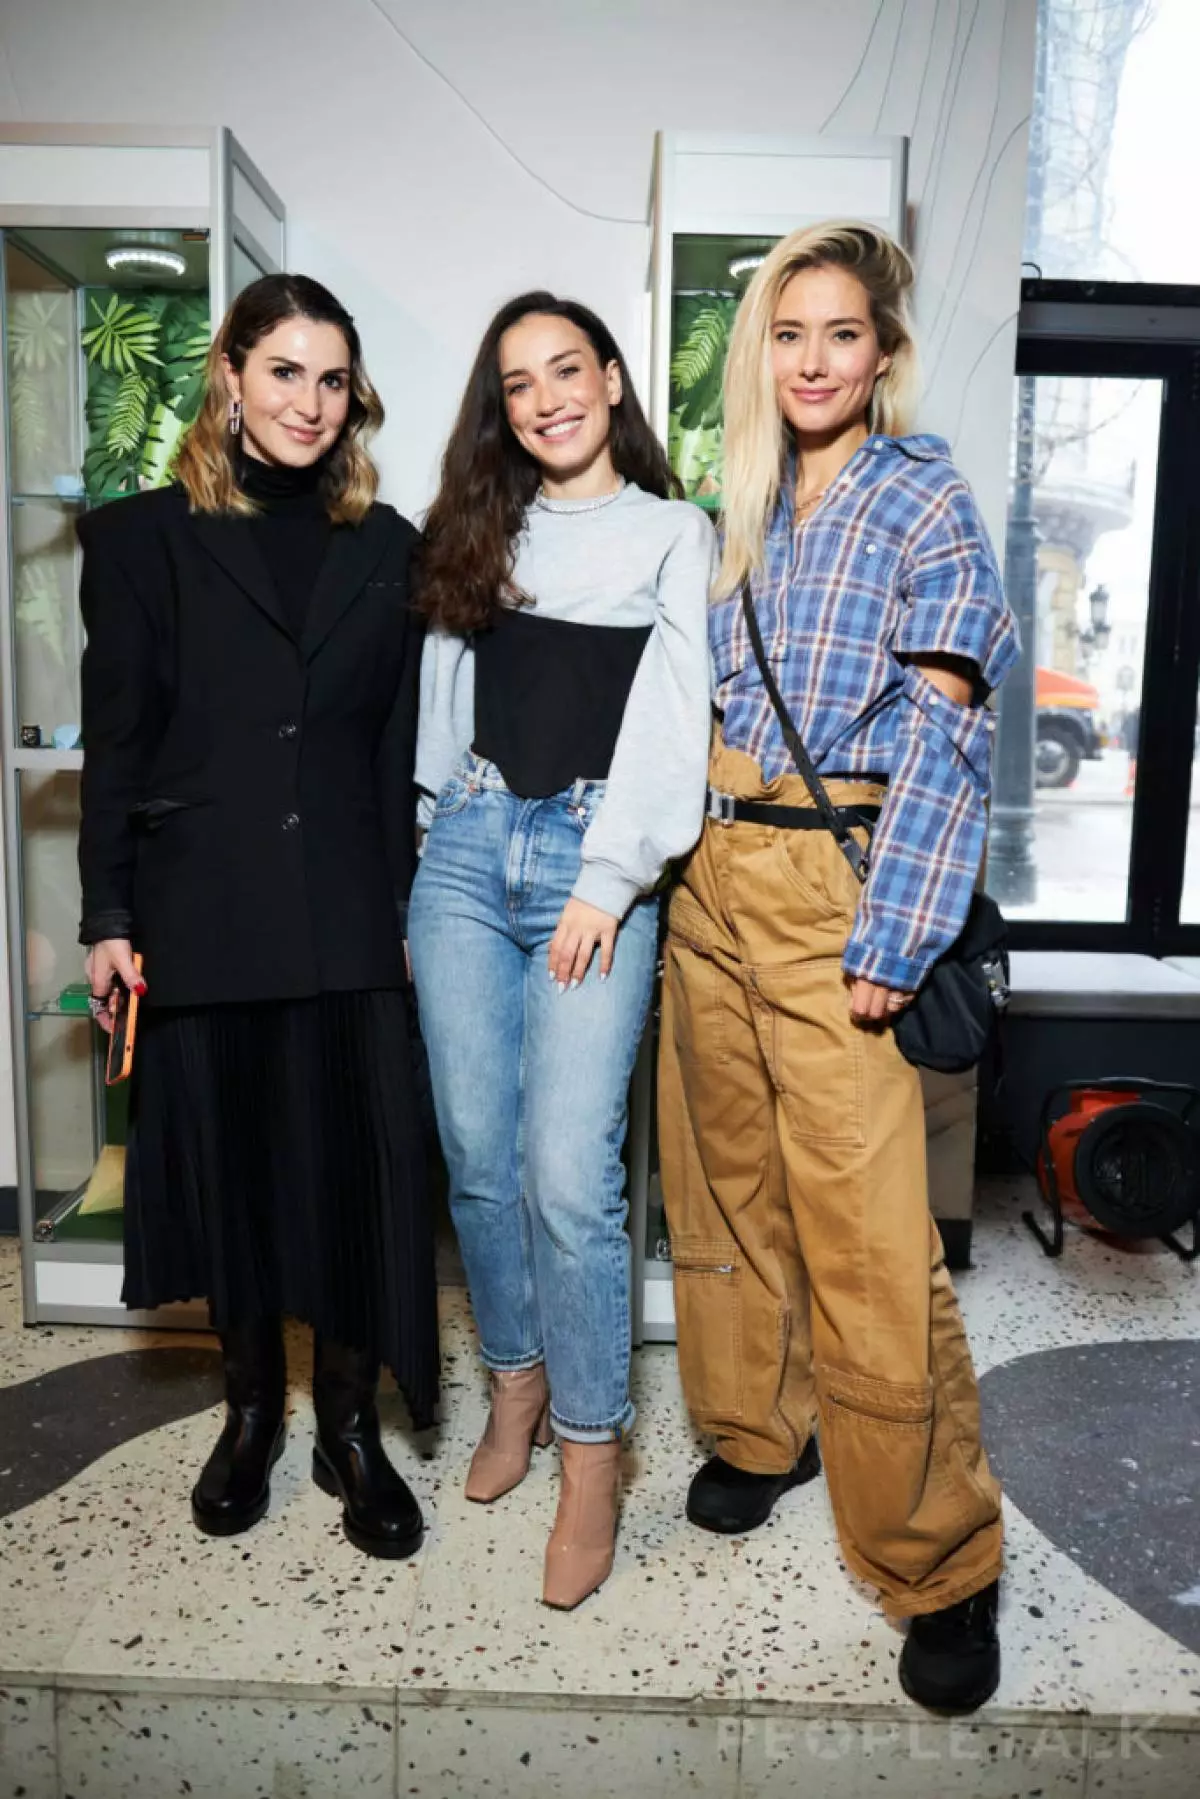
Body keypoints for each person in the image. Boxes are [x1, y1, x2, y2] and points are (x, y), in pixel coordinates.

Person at [657, 222, 1019, 1711]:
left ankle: (939, 1558)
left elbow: (948, 729)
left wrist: (896, 932)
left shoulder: (919, 492)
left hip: (838, 886)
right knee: (724, 1186)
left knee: (872, 1236)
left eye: (843, 334)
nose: (815, 359)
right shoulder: (738, 500)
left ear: (885, 350)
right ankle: (760, 1429)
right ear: (766, 351)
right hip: (709, 875)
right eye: (790, 333)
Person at [78, 272, 437, 1559]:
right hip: (205, 913)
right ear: (229, 375)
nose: (309, 401)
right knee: (233, 1180)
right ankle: (249, 1416)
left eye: (332, 378)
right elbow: (117, 743)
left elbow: (398, 748)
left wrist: (408, 906)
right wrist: (107, 910)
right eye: (284, 370)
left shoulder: (388, 546)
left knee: (348, 1178)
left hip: (349, 919)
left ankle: (349, 1425)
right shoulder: (137, 540)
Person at [409, 292, 713, 1609]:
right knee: (477, 1159)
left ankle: (594, 1451)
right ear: (504, 405)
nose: (545, 396)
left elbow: (676, 711)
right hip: (470, 853)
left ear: (609, 379)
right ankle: (515, 1384)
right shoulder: (483, 527)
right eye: (519, 380)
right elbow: (441, 696)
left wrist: (609, 877)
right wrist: (434, 836)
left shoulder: (671, 531)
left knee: (569, 1176)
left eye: (566, 368)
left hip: (598, 864)